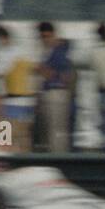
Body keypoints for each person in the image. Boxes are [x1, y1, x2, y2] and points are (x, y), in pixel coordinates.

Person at [35, 21, 73, 153]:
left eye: (46, 37)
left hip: (57, 92)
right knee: (51, 129)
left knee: (57, 130)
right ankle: (54, 153)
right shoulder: (48, 51)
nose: (44, 40)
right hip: (49, 92)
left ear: (52, 35)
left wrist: (45, 71)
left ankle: (59, 155)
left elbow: (65, 76)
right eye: (42, 37)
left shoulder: (59, 51)